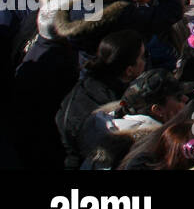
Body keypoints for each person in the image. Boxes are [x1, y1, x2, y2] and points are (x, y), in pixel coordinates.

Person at [55, 29, 145, 169]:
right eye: (143, 57)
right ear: (129, 70)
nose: (145, 61)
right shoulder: (114, 106)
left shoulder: (90, 81)